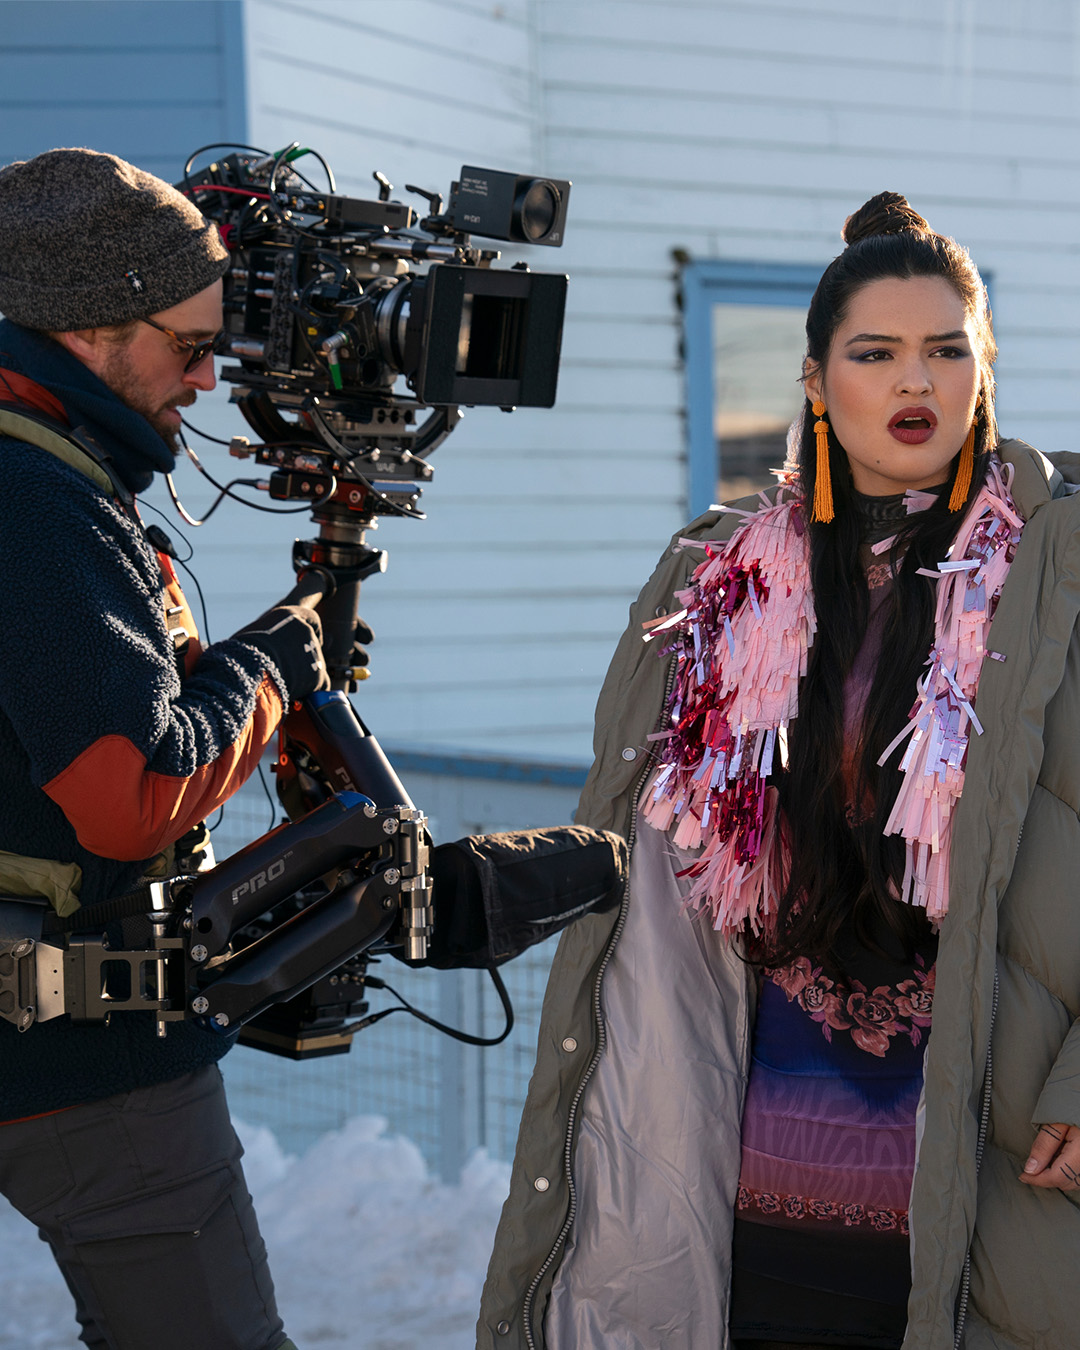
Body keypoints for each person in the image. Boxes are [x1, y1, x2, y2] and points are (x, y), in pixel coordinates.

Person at [477, 193, 1080, 1349]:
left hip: (992, 1185)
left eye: (948, 349)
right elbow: (659, 886)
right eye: (876, 353)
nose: (916, 381)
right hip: (751, 1187)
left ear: (985, 368)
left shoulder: (1054, 581)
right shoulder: (717, 585)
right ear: (815, 379)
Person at [0, 148, 330, 1350]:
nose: (205, 379)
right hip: (83, 1069)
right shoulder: (39, 501)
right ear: (89, 329)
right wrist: (276, 665)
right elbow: (130, 793)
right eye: (188, 346)